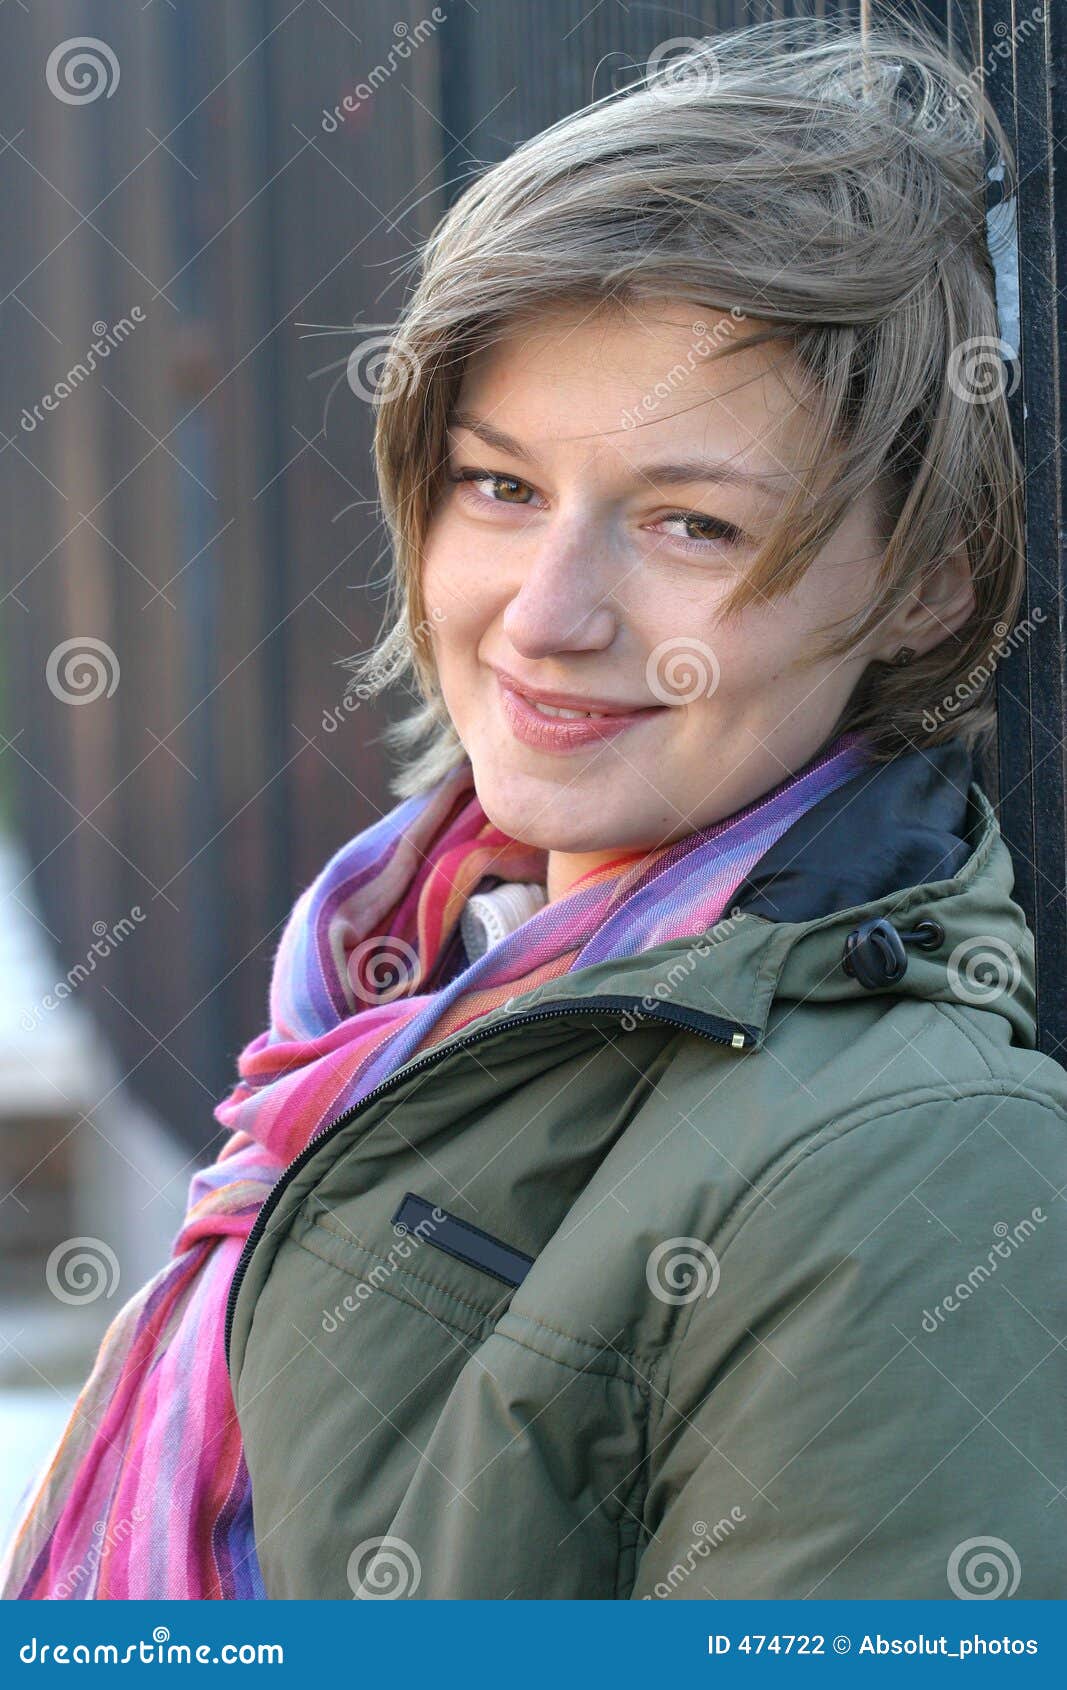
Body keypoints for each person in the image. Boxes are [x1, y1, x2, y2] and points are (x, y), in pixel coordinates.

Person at [4, 15, 1064, 1602]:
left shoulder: (920, 1165)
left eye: (691, 524)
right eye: (500, 486)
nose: (544, 613)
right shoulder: (399, 979)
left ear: (927, 584)